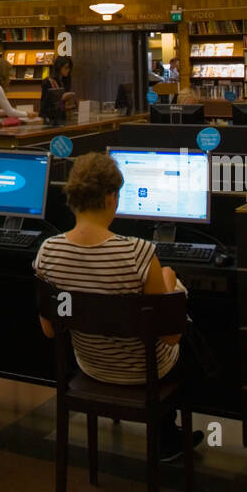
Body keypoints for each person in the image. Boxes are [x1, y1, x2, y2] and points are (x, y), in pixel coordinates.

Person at [35, 151, 204, 462]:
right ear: (112, 197)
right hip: (147, 372)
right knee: (192, 333)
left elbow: (49, 330)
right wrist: (169, 282)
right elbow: (170, 338)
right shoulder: (139, 253)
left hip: (90, 366)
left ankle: (166, 433)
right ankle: (169, 435)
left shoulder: (48, 252)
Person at [39, 56, 76, 124]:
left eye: (69, 68)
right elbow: (44, 108)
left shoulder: (65, 81)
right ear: (58, 67)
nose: (68, 70)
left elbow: (61, 106)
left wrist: (70, 106)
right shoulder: (48, 82)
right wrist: (62, 99)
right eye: (66, 67)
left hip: (62, 118)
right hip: (51, 121)